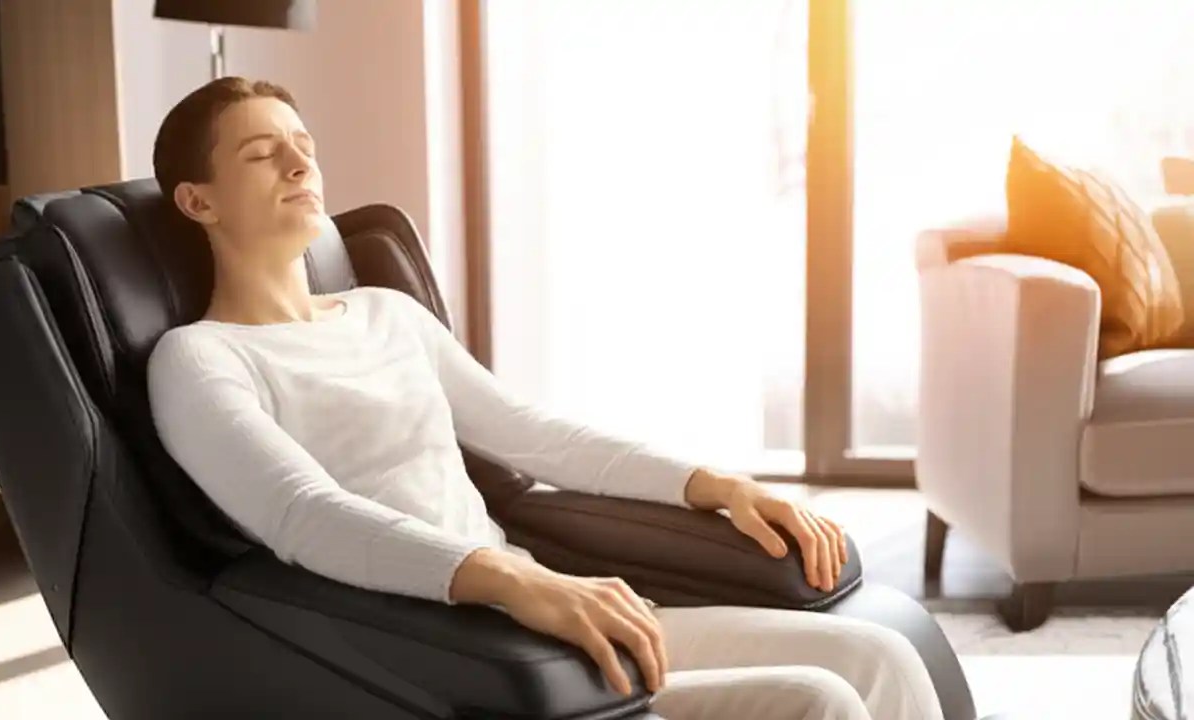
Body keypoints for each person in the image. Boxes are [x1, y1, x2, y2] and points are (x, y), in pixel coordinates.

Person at [146, 77, 944, 720]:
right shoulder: (200, 359)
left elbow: (531, 435)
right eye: (261, 154)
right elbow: (303, 515)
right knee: (822, 703)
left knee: (880, 654)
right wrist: (513, 580)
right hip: (457, 646)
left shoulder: (385, 312)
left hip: (549, 608)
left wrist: (717, 485)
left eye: (304, 147)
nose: (298, 166)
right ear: (199, 202)